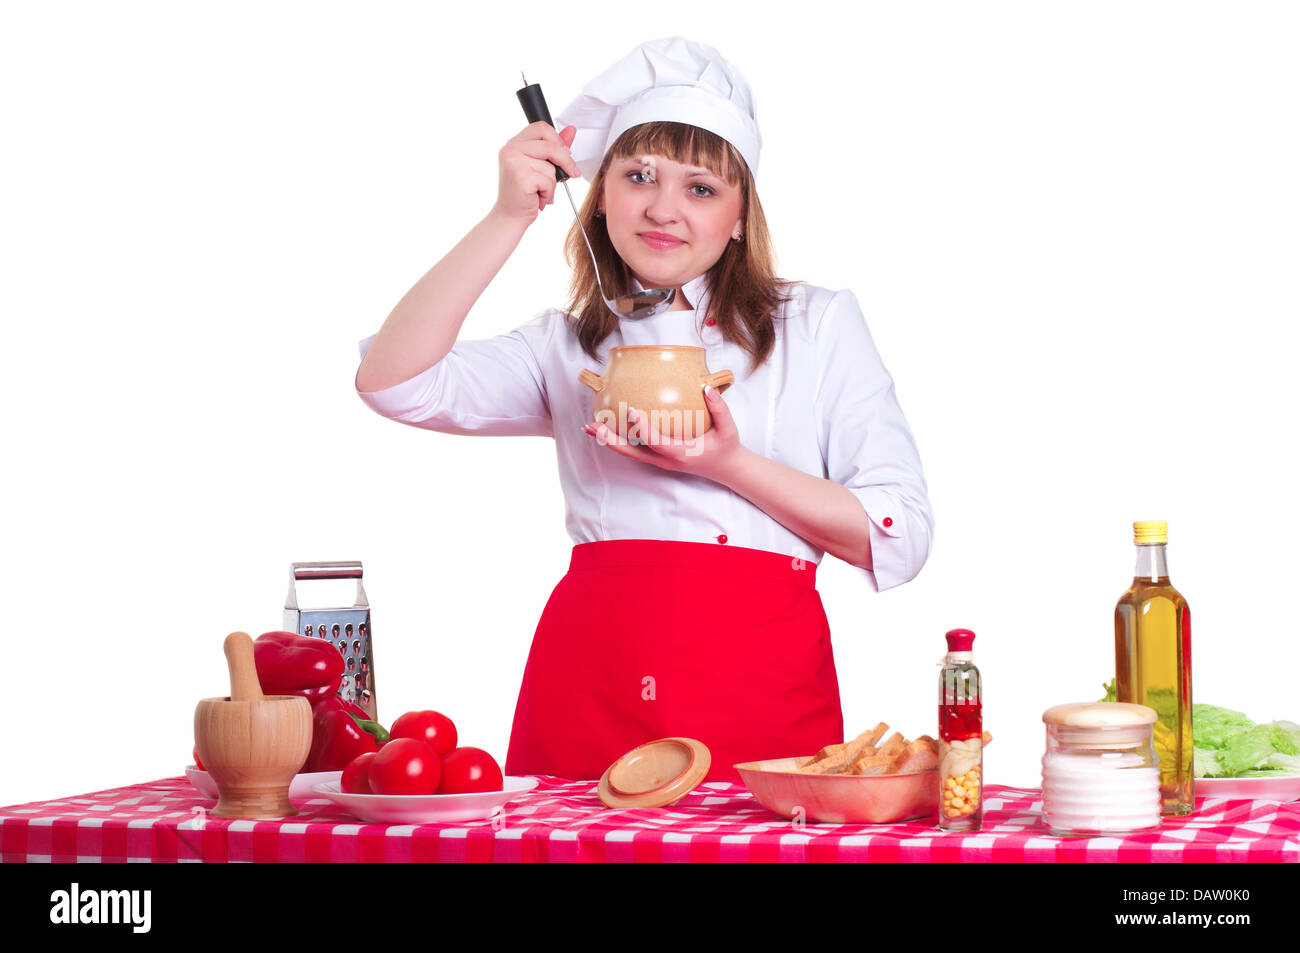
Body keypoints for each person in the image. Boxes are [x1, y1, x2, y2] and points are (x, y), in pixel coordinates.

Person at [355, 37, 934, 783]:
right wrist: (506, 217)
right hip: (591, 683)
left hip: (759, 690)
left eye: (701, 188)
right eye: (638, 176)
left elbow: (903, 535)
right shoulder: (567, 345)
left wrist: (732, 465)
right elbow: (392, 380)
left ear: (738, 217)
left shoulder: (813, 326)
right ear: (601, 196)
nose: (663, 209)